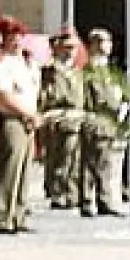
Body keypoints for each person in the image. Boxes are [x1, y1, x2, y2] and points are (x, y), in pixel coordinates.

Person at [0, 19, 42, 234]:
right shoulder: (1, 62)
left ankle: (19, 213)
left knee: (24, 170)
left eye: (19, 36)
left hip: (28, 119)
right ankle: (3, 216)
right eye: (11, 36)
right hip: (12, 118)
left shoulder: (26, 62)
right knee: (8, 169)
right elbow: (2, 95)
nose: (16, 40)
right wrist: (27, 113)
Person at [79, 28, 126, 217]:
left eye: (107, 41)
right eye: (101, 42)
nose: (106, 45)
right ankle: (90, 200)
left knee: (105, 162)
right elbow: (100, 96)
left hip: (109, 120)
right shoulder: (92, 68)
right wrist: (117, 105)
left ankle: (103, 198)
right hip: (97, 118)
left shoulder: (108, 68)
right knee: (94, 161)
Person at [38, 28, 87, 210]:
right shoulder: (49, 71)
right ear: (57, 48)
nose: (69, 52)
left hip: (75, 117)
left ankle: (72, 193)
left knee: (73, 158)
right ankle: (57, 192)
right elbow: (43, 96)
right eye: (65, 47)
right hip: (56, 116)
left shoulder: (79, 72)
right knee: (56, 157)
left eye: (72, 48)